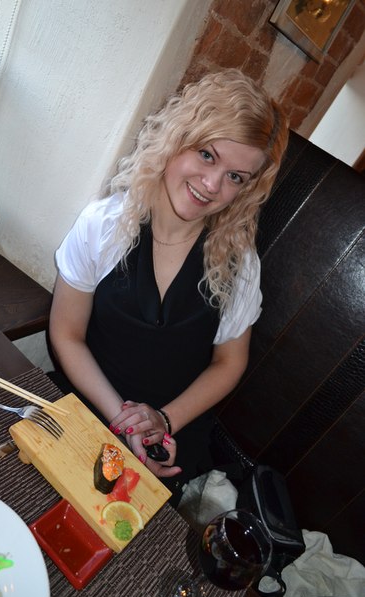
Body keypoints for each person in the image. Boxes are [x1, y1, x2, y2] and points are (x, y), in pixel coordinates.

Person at [49, 68, 289, 504]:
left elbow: (229, 363)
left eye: (236, 177)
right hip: (85, 407)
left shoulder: (240, 264)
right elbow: (66, 334)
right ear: (177, 138)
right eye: (207, 155)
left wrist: (161, 421)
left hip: (171, 440)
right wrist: (124, 420)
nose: (212, 185)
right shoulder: (105, 225)